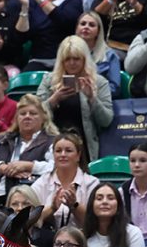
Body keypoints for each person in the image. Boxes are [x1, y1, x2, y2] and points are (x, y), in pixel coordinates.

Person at [36, 35, 113, 163]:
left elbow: (106, 120)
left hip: (84, 146)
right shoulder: (49, 81)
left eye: (76, 59)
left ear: (84, 60)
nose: (72, 63)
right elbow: (36, 115)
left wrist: (92, 98)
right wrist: (54, 100)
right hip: (52, 145)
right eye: (67, 59)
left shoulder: (99, 83)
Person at [0, 94, 57, 203]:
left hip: (30, 200)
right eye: (22, 114)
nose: (27, 116)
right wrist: (4, 168)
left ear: (43, 117)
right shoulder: (2, 139)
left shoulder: (52, 141)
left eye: (33, 113)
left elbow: (56, 167)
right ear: (17, 118)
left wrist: (29, 166)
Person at [30, 132, 99, 227]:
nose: (63, 154)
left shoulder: (92, 183)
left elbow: (95, 223)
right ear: (53, 155)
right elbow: (31, 222)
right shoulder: (41, 183)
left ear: (78, 155)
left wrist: (75, 206)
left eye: (68, 151)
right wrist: (52, 208)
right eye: (58, 151)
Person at [26, 0, 84, 70]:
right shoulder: (34, 3)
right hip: (38, 61)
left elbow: (63, 21)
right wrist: (24, 8)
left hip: (67, 61)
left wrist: (41, 1)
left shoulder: (74, 1)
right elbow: (24, 35)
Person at [82, 183, 147, 247]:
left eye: (110, 198)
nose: (104, 202)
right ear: (92, 205)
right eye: (99, 198)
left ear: (118, 205)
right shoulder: (83, 236)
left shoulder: (133, 233)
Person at [76, 11, 122, 94]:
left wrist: (91, 90)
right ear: (77, 28)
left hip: (99, 100)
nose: (86, 27)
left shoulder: (110, 55)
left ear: (98, 31)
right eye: (83, 24)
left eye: (91, 25)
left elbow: (114, 89)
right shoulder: (68, 52)